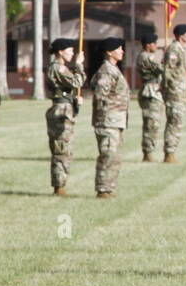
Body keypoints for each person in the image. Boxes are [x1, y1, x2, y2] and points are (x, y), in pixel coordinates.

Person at [45, 37, 85, 196]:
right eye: (70, 50)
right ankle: (59, 186)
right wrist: (79, 65)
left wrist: (74, 100)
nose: (73, 53)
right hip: (61, 111)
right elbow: (77, 82)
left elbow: (67, 89)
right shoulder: (58, 68)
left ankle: (61, 183)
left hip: (64, 106)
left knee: (65, 148)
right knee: (61, 148)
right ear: (61, 52)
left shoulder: (61, 68)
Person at [91, 35, 129, 198]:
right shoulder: (107, 70)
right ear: (109, 52)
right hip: (107, 121)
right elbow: (100, 96)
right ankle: (103, 189)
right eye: (118, 48)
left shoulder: (113, 69)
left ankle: (108, 188)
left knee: (114, 156)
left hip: (115, 120)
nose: (122, 51)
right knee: (108, 155)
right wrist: (104, 117)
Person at [162, 23, 186, 163]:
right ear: (180, 35)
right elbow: (168, 71)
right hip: (175, 93)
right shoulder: (174, 49)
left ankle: (171, 152)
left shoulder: (180, 49)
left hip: (179, 93)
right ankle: (169, 153)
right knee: (174, 122)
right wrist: (173, 89)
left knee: (177, 122)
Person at [136, 31, 164, 162]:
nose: (156, 46)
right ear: (148, 45)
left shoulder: (148, 56)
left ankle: (149, 150)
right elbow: (162, 69)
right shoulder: (145, 57)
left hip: (154, 90)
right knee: (151, 123)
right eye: (154, 43)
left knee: (154, 123)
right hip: (150, 91)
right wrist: (167, 57)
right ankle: (148, 152)